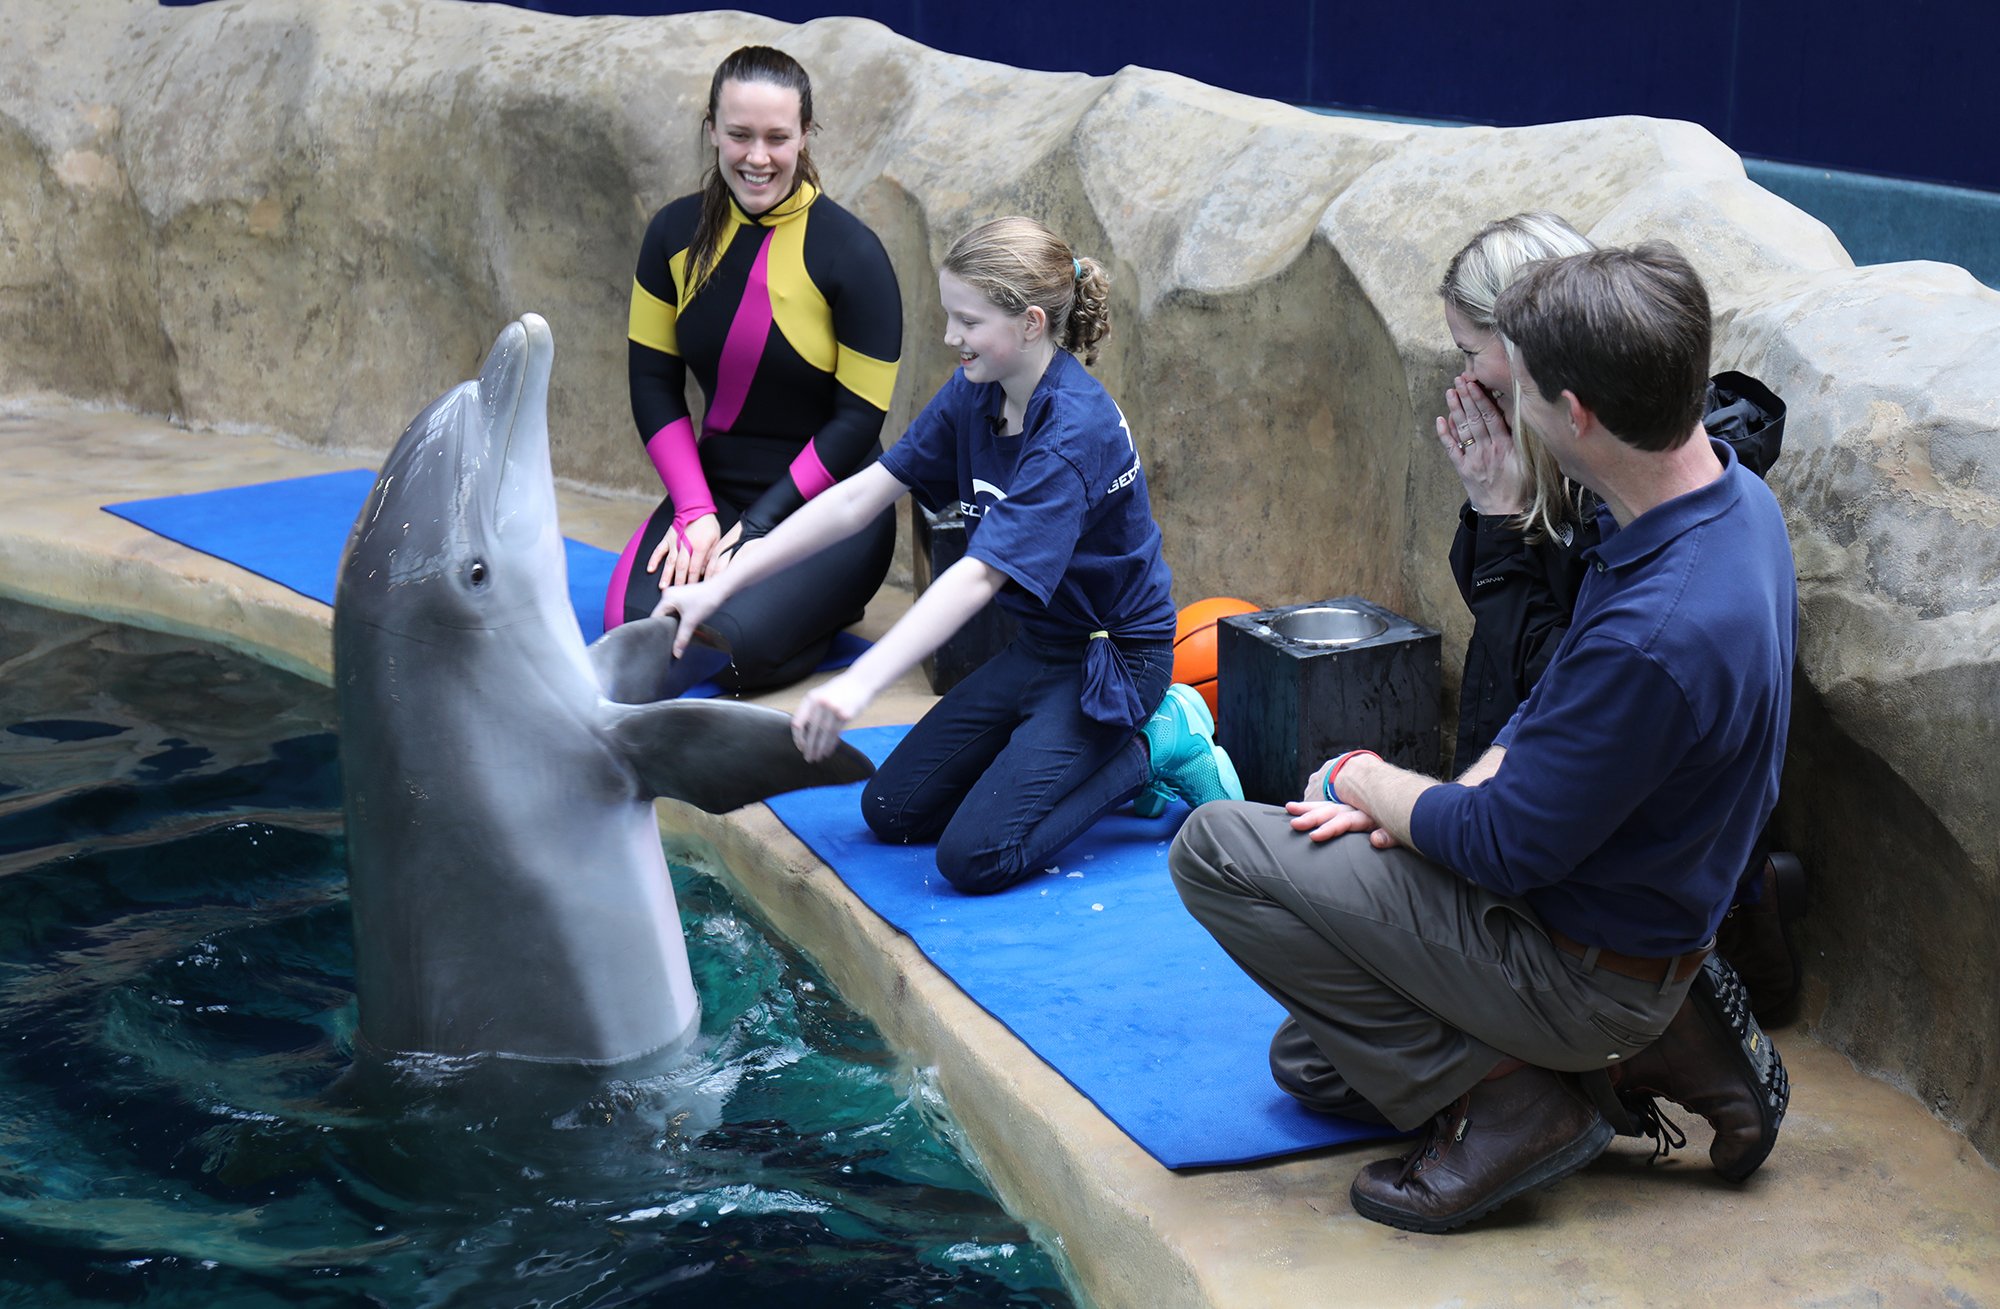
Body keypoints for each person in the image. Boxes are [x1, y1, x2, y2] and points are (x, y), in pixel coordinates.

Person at [1171, 243, 1795, 1233]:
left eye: (1520, 391)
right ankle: (1657, 1044)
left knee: (1213, 847)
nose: (1491, 397)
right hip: (1630, 915)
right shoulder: (1715, 501)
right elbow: (1553, 724)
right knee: (1309, 1062)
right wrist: (1419, 825)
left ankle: (1523, 1107)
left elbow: (1504, 842)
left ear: (1574, 415)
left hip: (1583, 960)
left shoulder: (1658, 630)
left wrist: (1365, 784)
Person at [655, 215, 1241, 894]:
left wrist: (860, 680)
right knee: (892, 810)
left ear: (1027, 323)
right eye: (948, 315)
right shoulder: (976, 392)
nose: (949, 336)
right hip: (1043, 647)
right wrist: (719, 584)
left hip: (1113, 662)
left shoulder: (1073, 429)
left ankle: (1155, 743)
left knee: (975, 857)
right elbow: (857, 499)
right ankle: (1068, 750)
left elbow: (977, 577)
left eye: (966, 320)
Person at [1435, 213, 1801, 1019]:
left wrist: (1501, 518)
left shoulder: (1630, 498)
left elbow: (1575, 700)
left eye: (1472, 354)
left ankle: (1735, 936)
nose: (1465, 379)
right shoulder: (1627, 459)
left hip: (1635, 888)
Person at [605, 45, 901, 691]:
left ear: (805, 135)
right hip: (717, 492)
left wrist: (759, 530)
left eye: (777, 137)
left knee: (730, 650)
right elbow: (652, 381)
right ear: (712, 129)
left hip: (831, 507)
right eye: (739, 135)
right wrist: (694, 511)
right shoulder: (672, 235)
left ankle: (823, 606)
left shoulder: (853, 254)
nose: (757, 157)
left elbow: (858, 421)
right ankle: (782, 598)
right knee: (635, 637)